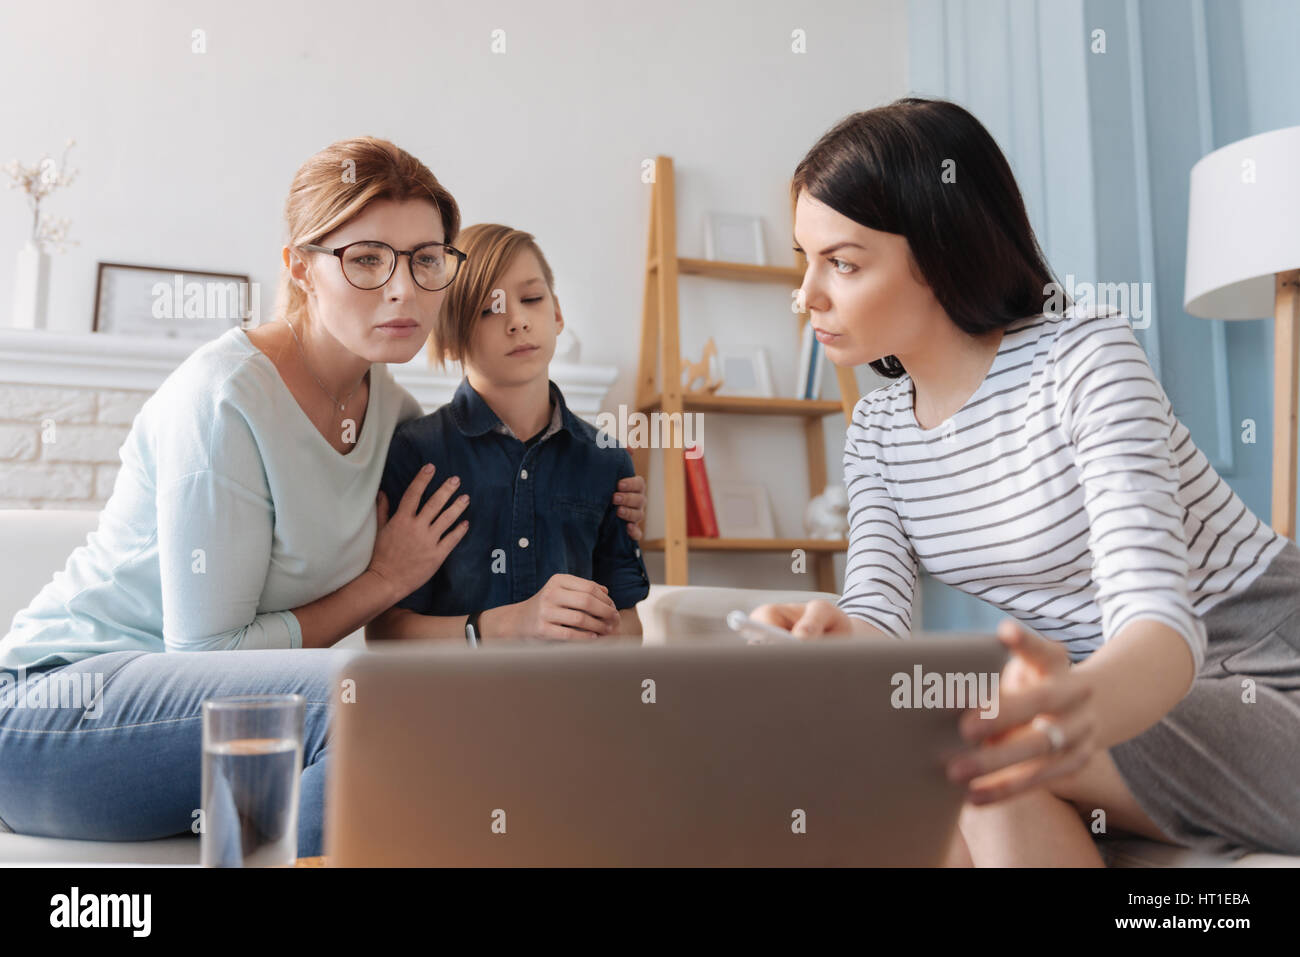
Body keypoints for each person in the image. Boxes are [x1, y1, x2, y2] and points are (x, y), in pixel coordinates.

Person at [0, 137, 647, 857]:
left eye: (425, 259)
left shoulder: (395, 420)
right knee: (369, 695)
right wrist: (382, 582)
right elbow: (213, 658)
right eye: (366, 258)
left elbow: (496, 521)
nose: (403, 289)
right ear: (300, 268)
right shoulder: (224, 400)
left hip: (216, 734)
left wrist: (601, 497)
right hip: (51, 713)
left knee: (449, 734)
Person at [753, 97, 1300, 865]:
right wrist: (833, 641)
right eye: (804, 260)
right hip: (1133, 700)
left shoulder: (1084, 359)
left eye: (841, 262)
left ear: (942, 250)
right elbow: (876, 613)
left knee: (969, 734)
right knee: (966, 762)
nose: (805, 295)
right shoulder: (877, 433)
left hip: (1265, 677)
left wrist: (1068, 703)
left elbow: (1161, 629)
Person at [368, 224, 649, 642]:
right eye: (488, 309)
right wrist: (503, 627)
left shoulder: (608, 459)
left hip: (572, 702)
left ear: (556, 314)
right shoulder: (416, 455)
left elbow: (630, 625)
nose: (517, 321)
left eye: (532, 299)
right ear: (451, 337)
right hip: (455, 704)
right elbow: (386, 633)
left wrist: (602, 636)